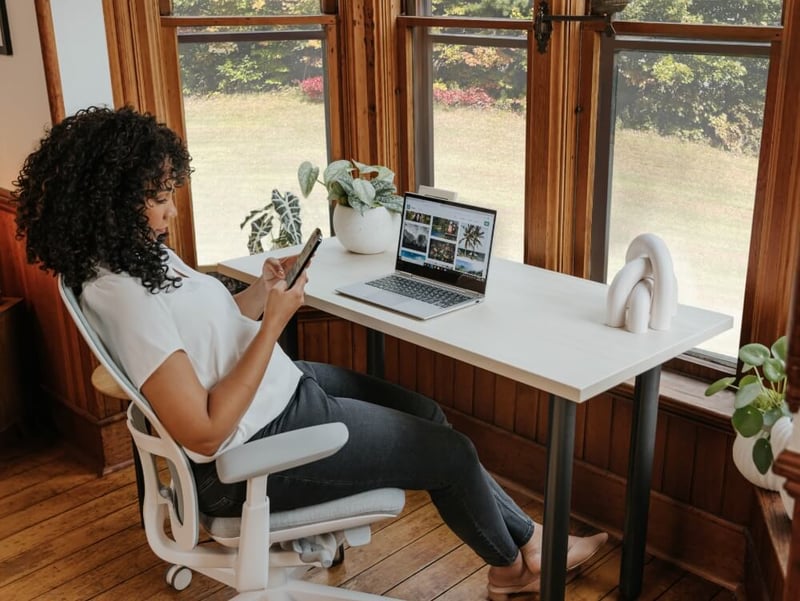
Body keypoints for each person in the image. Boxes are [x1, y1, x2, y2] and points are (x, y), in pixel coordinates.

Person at [13, 106, 607, 599]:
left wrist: (259, 294)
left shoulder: (132, 252)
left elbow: (203, 330)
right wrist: (274, 323)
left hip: (282, 392)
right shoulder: (123, 296)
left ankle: (526, 544)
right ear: (110, 199)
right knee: (451, 455)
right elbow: (205, 433)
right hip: (256, 440)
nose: (171, 209)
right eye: (159, 197)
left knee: (427, 416)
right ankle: (514, 567)